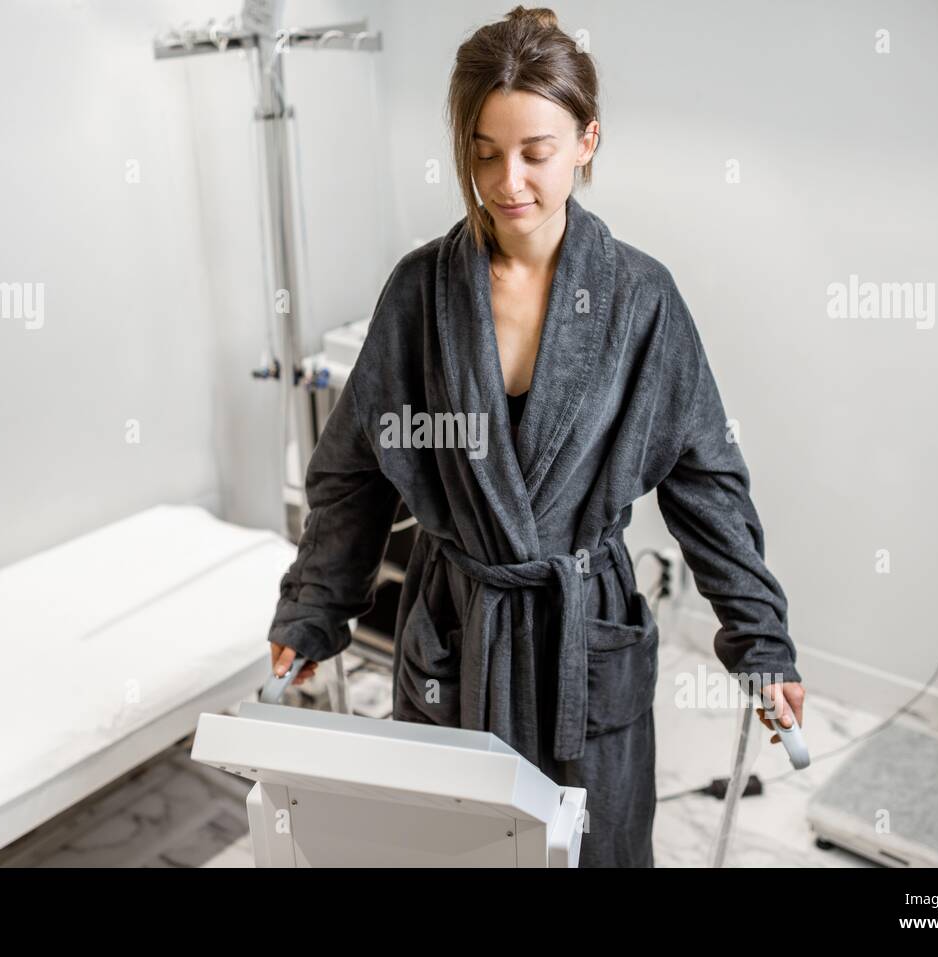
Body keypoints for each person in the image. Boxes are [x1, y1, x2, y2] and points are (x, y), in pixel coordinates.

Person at [266, 5, 805, 868]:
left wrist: (760, 640)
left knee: (595, 850)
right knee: (453, 847)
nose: (507, 180)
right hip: (456, 629)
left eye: (535, 152)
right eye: (484, 152)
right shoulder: (420, 294)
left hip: (578, 635)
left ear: (587, 142)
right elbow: (353, 472)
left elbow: (706, 482)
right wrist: (316, 603)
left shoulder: (639, 301)